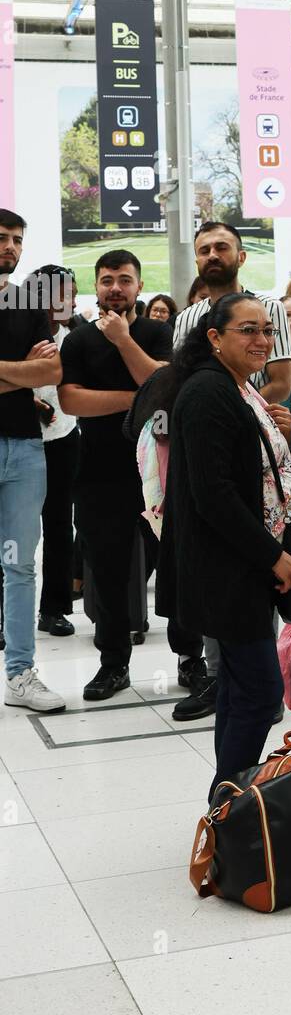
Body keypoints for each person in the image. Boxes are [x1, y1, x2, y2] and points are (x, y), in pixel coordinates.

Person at [156, 295, 291, 799]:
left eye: (266, 331)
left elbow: (260, 472)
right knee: (260, 694)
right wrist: (273, 554)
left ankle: (227, 804)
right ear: (215, 338)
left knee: (241, 691)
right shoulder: (207, 392)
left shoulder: (239, 389)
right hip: (227, 569)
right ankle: (229, 802)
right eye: (247, 330)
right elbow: (213, 493)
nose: (261, 340)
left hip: (241, 566)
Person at [59, 250, 173, 700]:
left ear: (139, 286)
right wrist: (136, 398)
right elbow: (71, 401)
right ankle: (112, 663)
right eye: (107, 280)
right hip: (100, 473)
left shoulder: (156, 331)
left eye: (125, 280)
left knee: (177, 566)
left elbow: (165, 384)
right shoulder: (79, 340)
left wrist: (125, 341)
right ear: (97, 286)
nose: (116, 288)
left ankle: (189, 657)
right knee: (105, 572)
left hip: (159, 471)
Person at [0, 211, 65, 713]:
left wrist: (24, 374)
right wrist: (21, 373)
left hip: (24, 446)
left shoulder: (27, 301)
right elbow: (33, 369)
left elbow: (52, 368)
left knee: (19, 564)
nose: (10, 248)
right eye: (2, 238)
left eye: (17, 240)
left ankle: (20, 674)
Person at [172, 222, 291, 405]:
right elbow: (179, 378)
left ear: (241, 257)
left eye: (221, 248)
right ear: (197, 262)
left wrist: (239, 409)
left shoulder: (270, 308)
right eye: (204, 251)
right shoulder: (186, 318)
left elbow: (281, 384)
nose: (212, 255)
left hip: (251, 422)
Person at [29, 265, 81, 638]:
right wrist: (31, 401)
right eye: (61, 294)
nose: (70, 301)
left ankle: (55, 609)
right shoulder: (15, 332)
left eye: (72, 294)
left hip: (65, 438)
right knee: (12, 530)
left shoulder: (77, 336)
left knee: (61, 525)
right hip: (17, 440)